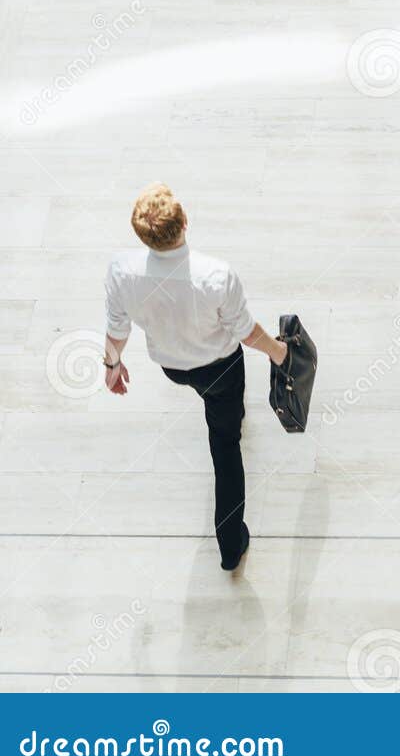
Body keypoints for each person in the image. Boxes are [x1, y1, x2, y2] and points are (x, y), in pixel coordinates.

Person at [103, 184, 288, 571]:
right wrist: (279, 352)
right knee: (225, 446)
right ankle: (230, 546)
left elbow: (117, 328)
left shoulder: (122, 271)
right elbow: (245, 332)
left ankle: (227, 415)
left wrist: (112, 365)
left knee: (216, 411)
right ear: (185, 222)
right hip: (221, 367)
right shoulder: (216, 275)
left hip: (172, 368)